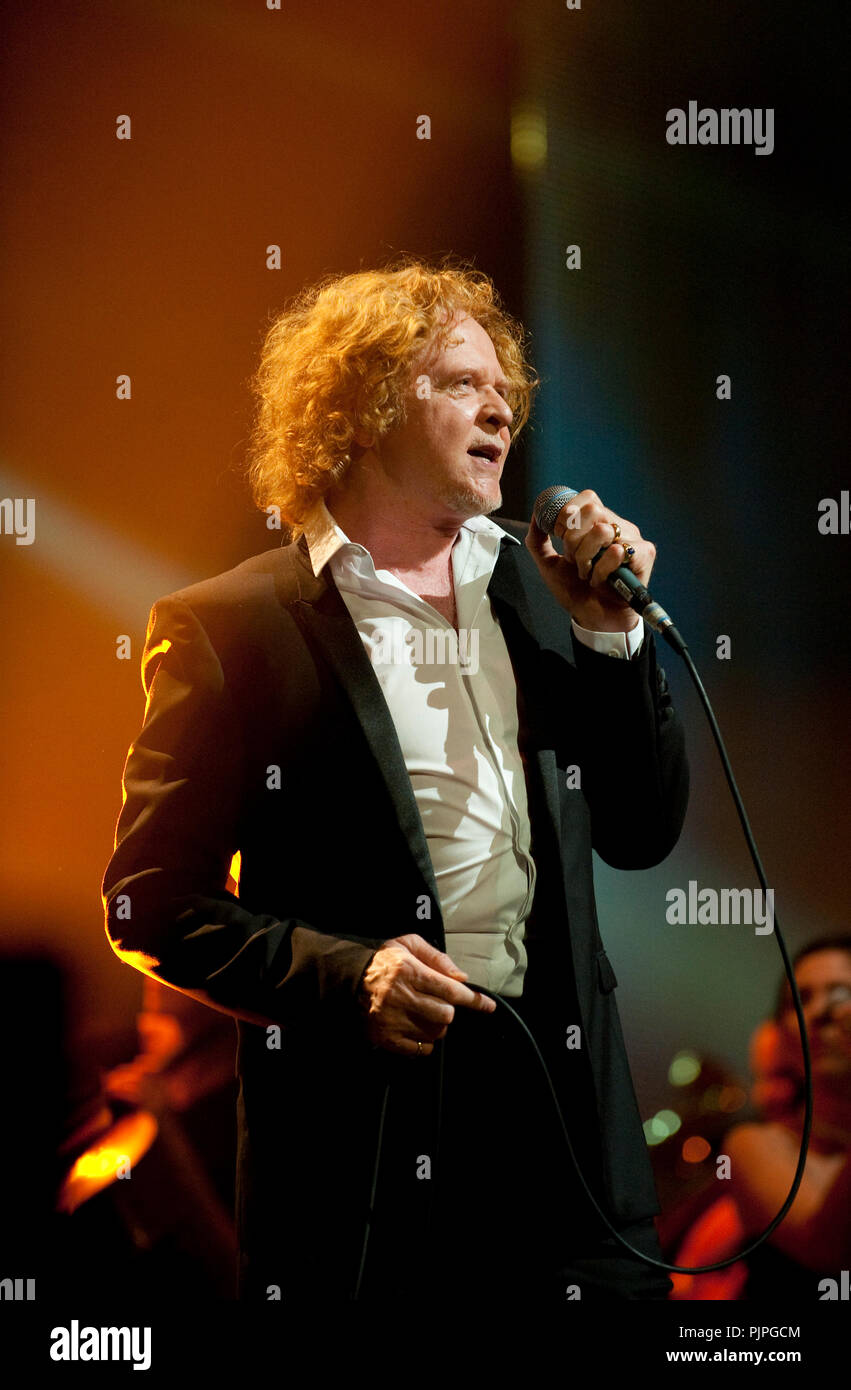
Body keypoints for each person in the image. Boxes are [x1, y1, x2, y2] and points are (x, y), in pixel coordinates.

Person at [102, 260, 689, 1301]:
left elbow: (640, 830)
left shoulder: (544, 586)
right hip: (363, 1163)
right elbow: (150, 903)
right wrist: (347, 975)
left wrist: (609, 642)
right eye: (458, 381)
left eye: (501, 385)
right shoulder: (233, 627)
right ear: (363, 405)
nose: (498, 402)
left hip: (573, 1156)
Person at [670, 935, 851, 1299]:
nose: (818, 1013)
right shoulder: (754, 1145)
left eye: (840, 994)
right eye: (800, 1001)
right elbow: (827, 1247)